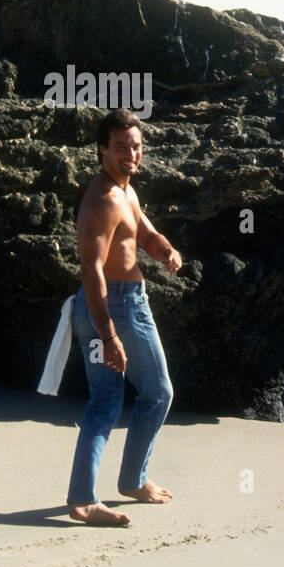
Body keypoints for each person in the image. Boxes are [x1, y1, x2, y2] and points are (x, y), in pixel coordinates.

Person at [67, 108, 182, 527]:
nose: (130, 154)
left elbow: (146, 235)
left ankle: (84, 498)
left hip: (101, 307)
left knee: (104, 402)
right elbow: (92, 269)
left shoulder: (124, 192)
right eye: (121, 147)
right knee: (158, 393)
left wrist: (167, 250)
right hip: (117, 309)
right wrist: (110, 334)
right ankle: (131, 480)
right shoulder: (104, 200)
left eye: (135, 146)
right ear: (102, 150)